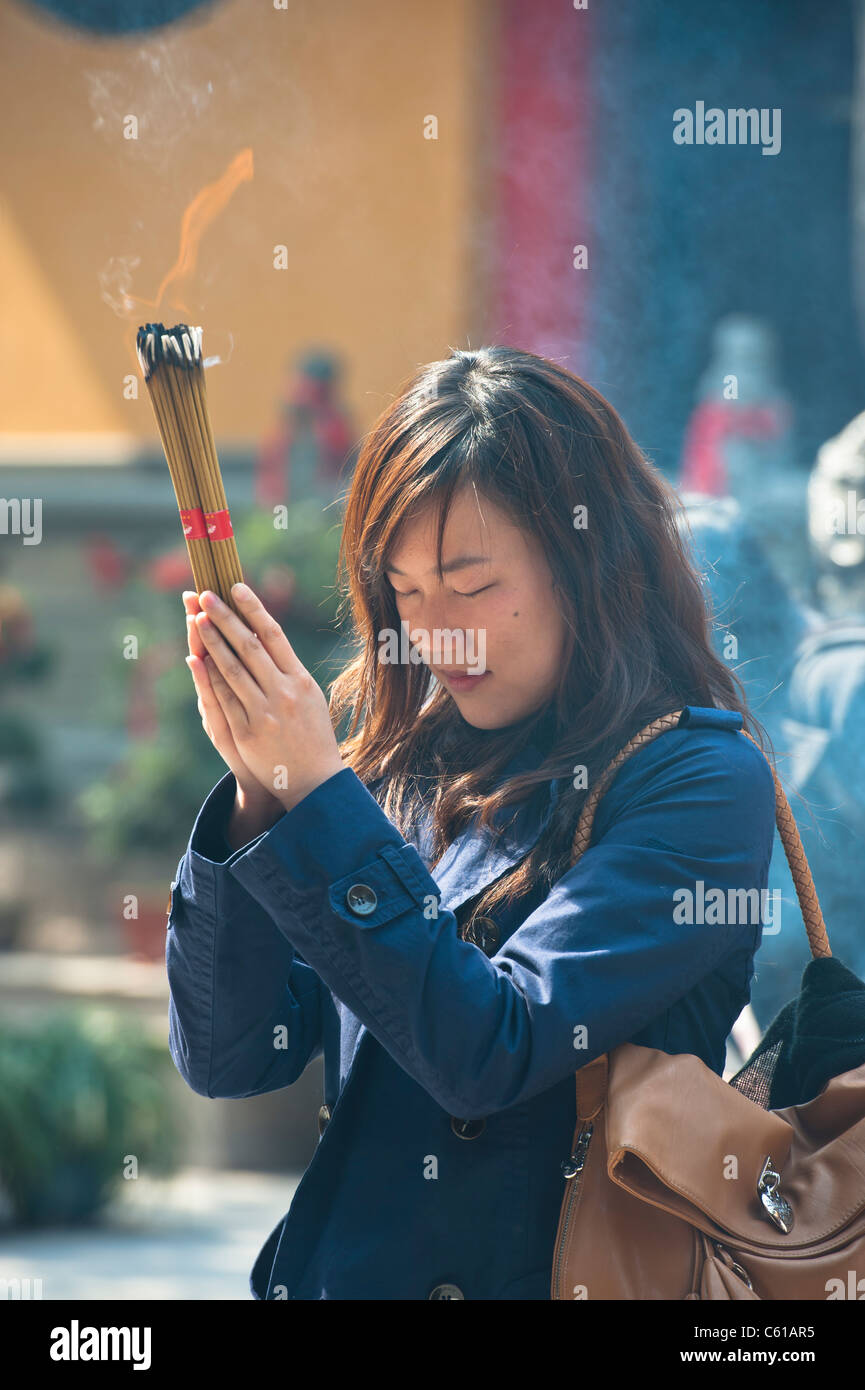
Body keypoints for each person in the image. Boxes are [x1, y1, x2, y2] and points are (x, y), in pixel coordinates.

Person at [166, 346, 777, 1300]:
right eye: (405, 592)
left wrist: (320, 798)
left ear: (587, 559)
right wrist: (259, 793)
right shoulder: (400, 764)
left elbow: (489, 1051)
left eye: (471, 583)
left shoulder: (697, 782)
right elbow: (233, 1057)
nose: (433, 632)